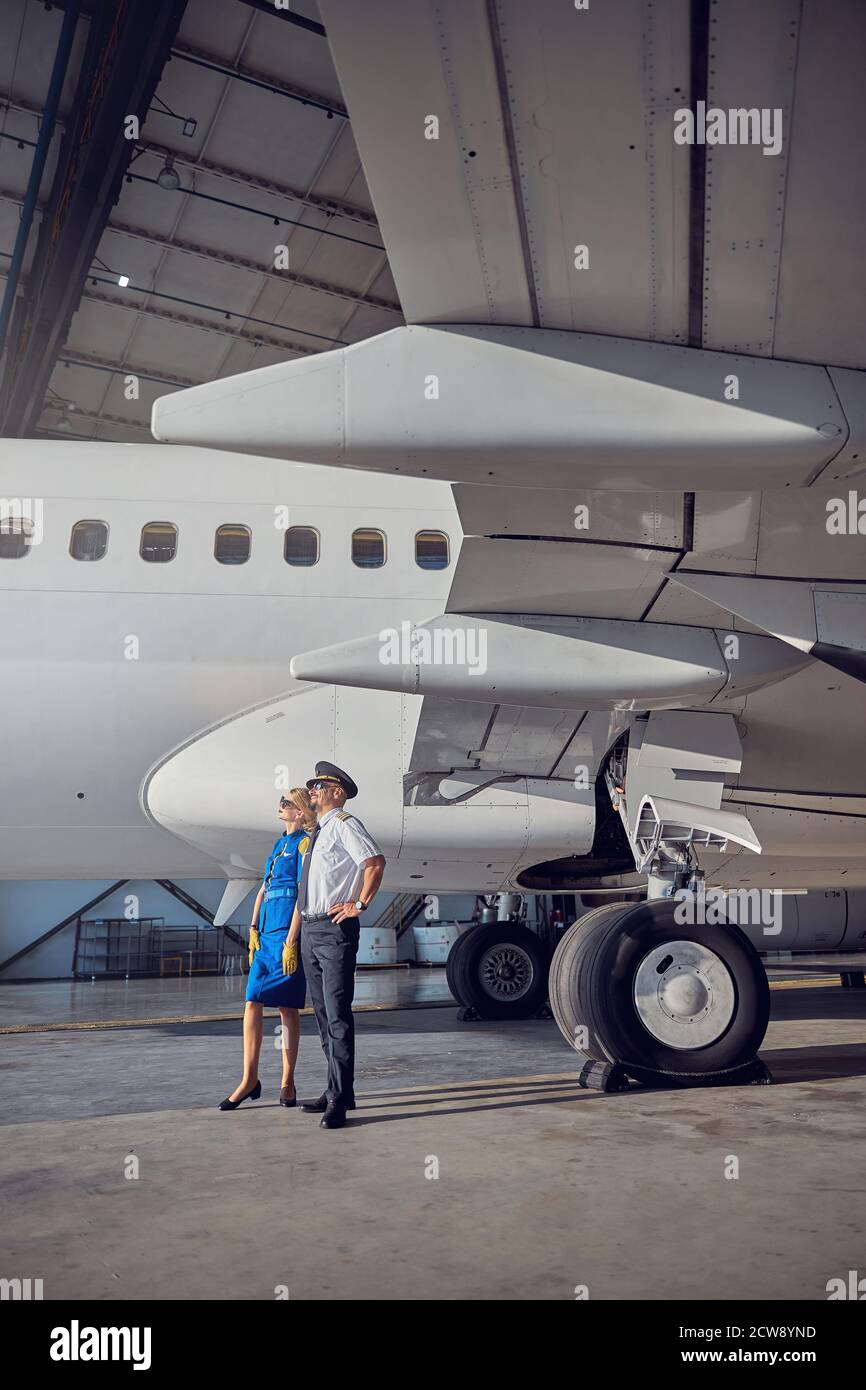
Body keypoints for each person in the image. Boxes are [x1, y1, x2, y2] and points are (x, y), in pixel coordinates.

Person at [290, 761, 385, 1129]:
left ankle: (340, 1100)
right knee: (324, 1017)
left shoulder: (346, 825)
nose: (312, 790)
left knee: (339, 1016)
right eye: (312, 785)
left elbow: (374, 862)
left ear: (337, 792)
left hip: (333, 931)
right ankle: (337, 1091)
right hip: (313, 930)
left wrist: (359, 905)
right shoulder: (318, 832)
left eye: (319, 785)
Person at [218, 787, 316, 1111]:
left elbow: (304, 894)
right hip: (265, 934)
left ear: (300, 812)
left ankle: (288, 1080)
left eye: (287, 803)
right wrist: (253, 926)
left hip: (288, 934)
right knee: (251, 1001)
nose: (281, 806)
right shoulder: (278, 844)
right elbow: (265, 887)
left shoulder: (304, 843)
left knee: (288, 1009)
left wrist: (291, 941)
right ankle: (249, 1079)